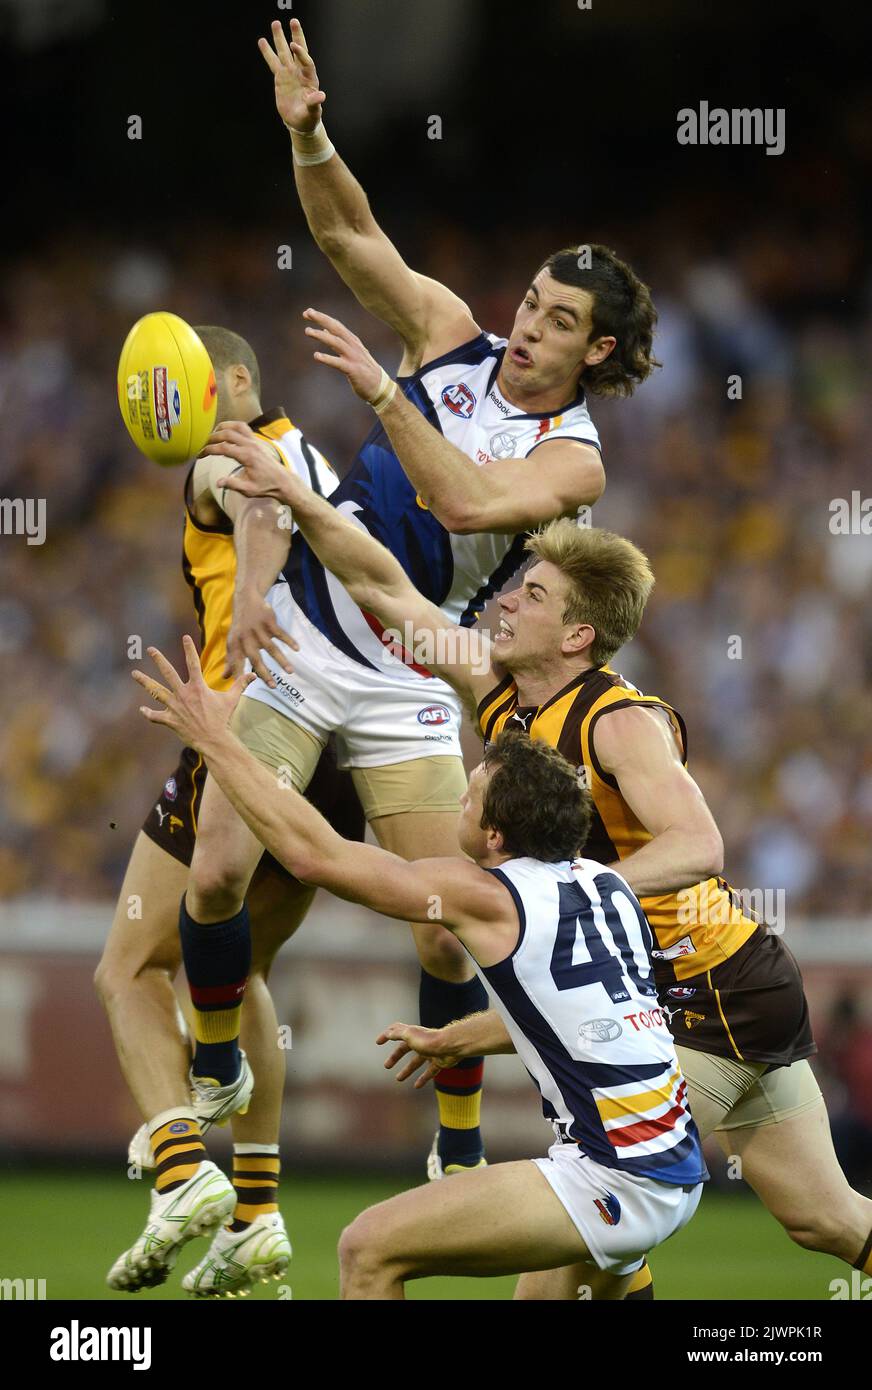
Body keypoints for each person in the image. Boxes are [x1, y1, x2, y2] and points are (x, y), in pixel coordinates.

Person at [211, 437, 872, 1297]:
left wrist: (581, 894)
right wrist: (299, 502)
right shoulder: (495, 687)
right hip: (695, 989)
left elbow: (699, 846)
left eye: (532, 594)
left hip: (709, 990)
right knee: (824, 1218)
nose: (505, 602)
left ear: (578, 633)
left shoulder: (616, 720)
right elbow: (384, 589)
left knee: (569, 1251)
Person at [179, 17, 661, 1190]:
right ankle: (215, 1075)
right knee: (212, 879)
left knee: (443, 926)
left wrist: (385, 399)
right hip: (302, 632)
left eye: (556, 321)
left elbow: (458, 506)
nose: (527, 327)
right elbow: (350, 233)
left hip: (410, 668)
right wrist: (309, 137)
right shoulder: (451, 333)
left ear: (596, 353)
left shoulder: (575, 461)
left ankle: (451, 1141)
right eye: (533, 301)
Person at [132, 645, 707, 1301]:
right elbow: (589, 1011)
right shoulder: (607, 887)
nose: (458, 801)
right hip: (671, 1162)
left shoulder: (490, 897)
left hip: (614, 1173)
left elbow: (316, 858)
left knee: (367, 1249)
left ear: (495, 835)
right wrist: (467, 1035)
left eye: (471, 797)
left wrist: (218, 743)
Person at [96, 327, 365, 1295]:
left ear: (236, 381)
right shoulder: (317, 461)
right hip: (339, 746)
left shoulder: (227, 459)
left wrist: (247, 593)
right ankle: (256, 1212)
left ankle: (179, 1168)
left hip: (250, 726)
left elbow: (249, 501)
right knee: (235, 964)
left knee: (127, 965)